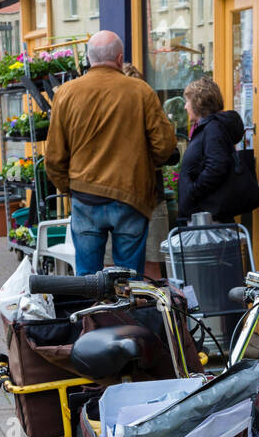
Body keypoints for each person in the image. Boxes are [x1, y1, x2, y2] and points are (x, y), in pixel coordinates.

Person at [44, 30, 177, 275]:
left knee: (87, 279)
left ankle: (91, 313)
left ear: (88, 58)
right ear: (119, 58)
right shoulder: (141, 91)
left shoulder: (65, 94)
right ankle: (123, 313)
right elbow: (165, 147)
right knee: (128, 282)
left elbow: (53, 157)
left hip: (85, 196)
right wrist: (144, 168)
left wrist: (68, 188)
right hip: (130, 195)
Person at [122, 61, 179, 280]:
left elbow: (171, 152)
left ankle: (148, 313)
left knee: (150, 269)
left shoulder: (152, 116)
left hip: (150, 201)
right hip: (124, 201)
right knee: (115, 270)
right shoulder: (110, 120)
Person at [176, 77, 246, 223]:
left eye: (187, 101)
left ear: (198, 103)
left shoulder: (213, 128)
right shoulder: (206, 128)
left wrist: (193, 191)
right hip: (202, 216)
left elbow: (217, 166)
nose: (185, 107)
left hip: (208, 219)